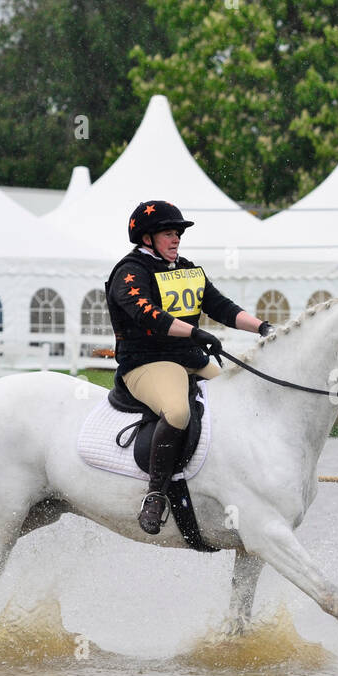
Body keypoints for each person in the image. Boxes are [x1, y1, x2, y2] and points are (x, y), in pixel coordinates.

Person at [105, 200, 272, 534]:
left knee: (239, 400)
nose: (176, 239)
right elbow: (149, 315)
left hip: (189, 360)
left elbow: (220, 306)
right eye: (169, 233)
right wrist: (194, 331)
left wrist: (263, 327)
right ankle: (155, 494)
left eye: (178, 233)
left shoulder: (187, 269)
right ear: (147, 237)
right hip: (147, 363)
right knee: (178, 412)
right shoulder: (130, 272)